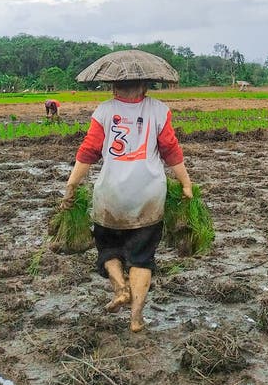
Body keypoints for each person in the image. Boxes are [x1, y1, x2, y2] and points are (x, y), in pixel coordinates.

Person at [60, 79, 192, 333]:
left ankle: (120, 287)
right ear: (145, 86)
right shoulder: (159, 110)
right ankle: (136, 318)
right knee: (142, 258)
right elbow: (170, 150)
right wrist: (185, 183)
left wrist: (71, 186)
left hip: (111, 196)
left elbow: (88, 151)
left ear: (113, 87)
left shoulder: (105, 111)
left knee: (108, 249)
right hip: (148, 197)